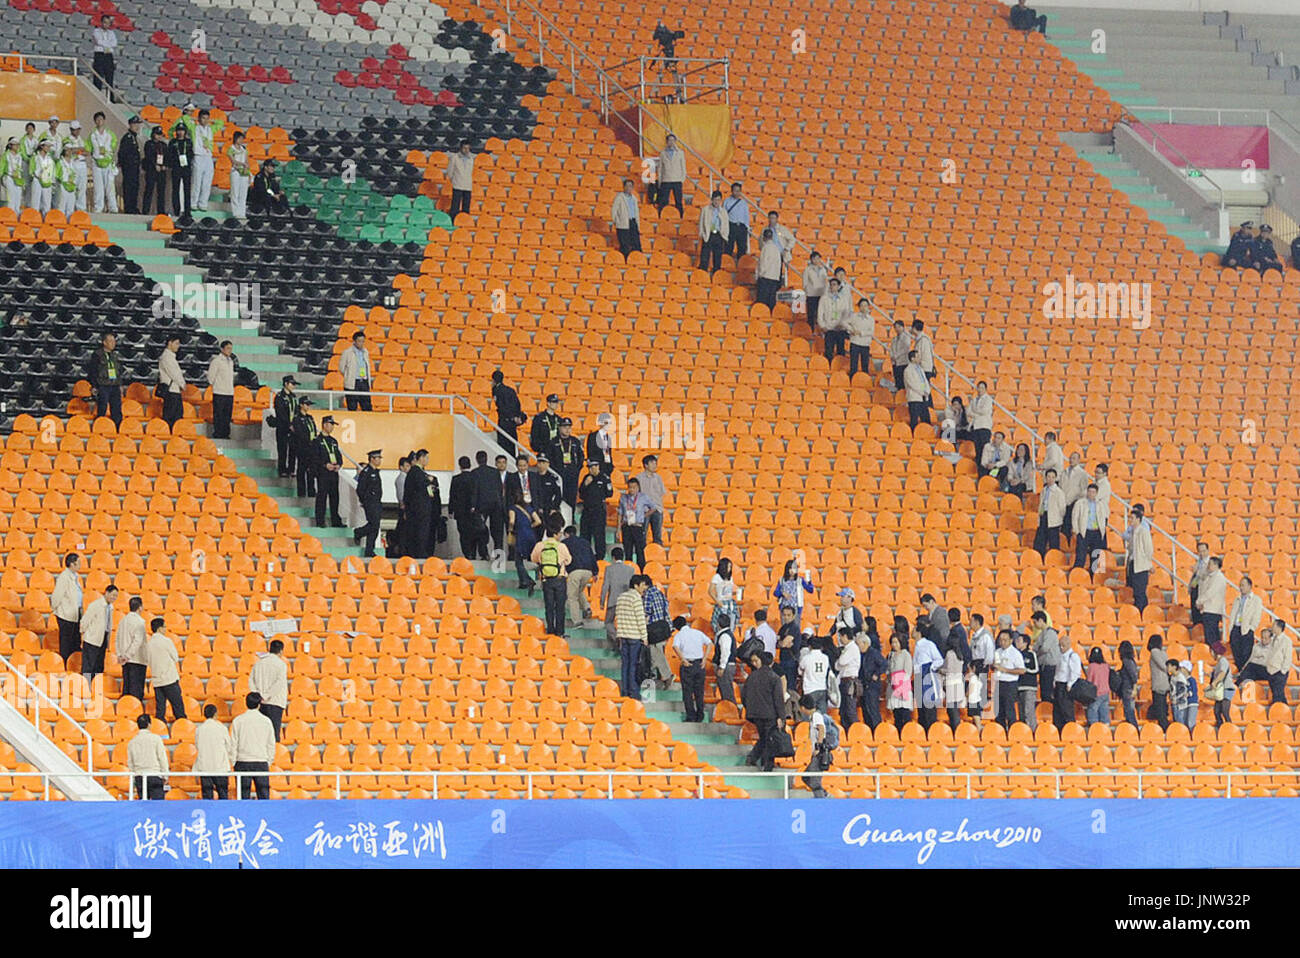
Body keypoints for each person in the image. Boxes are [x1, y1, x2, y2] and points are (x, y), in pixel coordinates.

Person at [742, 650, 785, 771]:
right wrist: (781, 717)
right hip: (770, 714)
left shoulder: (751, 677)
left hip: (755, 714)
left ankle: (753, 758)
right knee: (769, 740)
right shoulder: (774, 677)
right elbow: (778, 699)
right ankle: (767, 765)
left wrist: (749, 709)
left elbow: (744, 695)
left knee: (764, 738)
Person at [531, 515, 572, 636]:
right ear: (555, 534)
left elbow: (533, 558)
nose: (560, 535)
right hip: (560, 579)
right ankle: (560, 632)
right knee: (560, 607)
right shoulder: (561, 546)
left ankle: (550, 630)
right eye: (559, 533)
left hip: (546, 579)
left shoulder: (540, 545)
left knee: (549, 607)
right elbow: (569, 560)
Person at [231, 692, 275, 800]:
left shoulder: (238, 721)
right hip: (261, 761)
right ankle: (265, 816)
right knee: (264, 796)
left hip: (242, 762)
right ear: (259, 704)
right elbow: (271, 744)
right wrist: (268, 761)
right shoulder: (266, 721)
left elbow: (233, 744)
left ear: (246, 703)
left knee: (243, 797)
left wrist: (233, 761)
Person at [615, 574, 650, 699]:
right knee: (634, 665)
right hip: (634, 636)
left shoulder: (620, 597)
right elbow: (640, 619)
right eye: (642, 585)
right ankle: (634, 692)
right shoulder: (636, 598)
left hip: (623, 635)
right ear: (636, 585)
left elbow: (618, 616)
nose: (644, 588)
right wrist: (644, 637)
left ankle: (625, 691)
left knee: (625, 664)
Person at [1237, 625, 1292, 704]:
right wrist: (1244, 668)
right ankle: (1245, 696)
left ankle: (1237, 683)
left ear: (1270, 638)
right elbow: (1250, 659)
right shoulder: (1256, 646)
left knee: (1251, 667)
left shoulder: (1274, 647)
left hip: (1269, 670)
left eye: (1266, 638)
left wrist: (1257, 661)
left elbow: (1268, 662)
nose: (1263, 640)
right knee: (1249, 671)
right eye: (1262, 637)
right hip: (1256, 670)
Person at [671, 616, 711, 722]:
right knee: (699, 691)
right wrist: (705, 659)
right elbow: (709, 643)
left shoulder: (679, 635)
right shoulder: (697, 632)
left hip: (687, 664)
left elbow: (675, 646)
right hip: (699, 664)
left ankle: (691, 716)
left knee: (687, 692)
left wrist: (683, 659)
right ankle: (700, 714)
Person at [248, 639, 289, 740]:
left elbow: (251, 681)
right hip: (275, 702)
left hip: (261, 703)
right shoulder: (281, 665)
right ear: (281, 651)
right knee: (274, 735)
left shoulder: (258, 663)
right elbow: (279, 684)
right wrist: (266, 695)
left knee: (261, 735)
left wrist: (258, 695)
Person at [146, 618, 184, 722]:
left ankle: (160, 730)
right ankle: (181, 726)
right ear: (159, 628)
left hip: (157, 681)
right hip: (169, 678)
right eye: (164, 627)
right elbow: (175, 657)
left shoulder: (148, 644)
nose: (165, 629)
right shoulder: (166, 641)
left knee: (160, 710)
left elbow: (148, 661)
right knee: (178, 707)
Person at [194, 704, 234, 800]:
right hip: (220, 766)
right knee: (223, 794)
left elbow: (197, 746)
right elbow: (229, 746)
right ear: (215, 714)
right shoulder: (222, 728)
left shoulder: (199, 729)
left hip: (205, 767)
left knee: (207, 795)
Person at [550, 419, 585, 526]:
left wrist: (576, 470)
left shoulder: (575, 441)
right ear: (559, 428)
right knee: (558, 497)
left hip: (572, 475)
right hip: (558, 475)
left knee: (571, 498)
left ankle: (571, 518)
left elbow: (581, 457)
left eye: (569, 427)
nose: (567, 429)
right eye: (565, 427)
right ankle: (558, 519)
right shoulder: (553, 442)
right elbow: (550, 458)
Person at [51, 552, 83, 664]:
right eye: (78, 562)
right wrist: (56, 609)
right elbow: (57, 596)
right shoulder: (64, 577)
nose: (80, 564)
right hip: (66, 615)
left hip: (74, 614)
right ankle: (65, 665)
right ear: (72, 564)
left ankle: (74, 665)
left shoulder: (75, 577)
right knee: (66, 642)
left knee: (75, 641)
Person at [79, 584, 116, 681]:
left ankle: (96, 685)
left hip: (103, 638)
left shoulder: (110, 607)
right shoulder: (96, 605)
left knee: (99, 665)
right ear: (106, 593)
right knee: (89, 666)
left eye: (116, 596)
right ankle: (86, 687)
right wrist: (83, 634)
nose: (114, 598)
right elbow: (85, 621)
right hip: (92, 639)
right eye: (113, 595)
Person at [313, 415, 345, 528]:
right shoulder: (317, 441)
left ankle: (335, 520)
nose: (332, 427)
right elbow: (314, 457)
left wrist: (339, 464)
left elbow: (339, 456)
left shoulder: (333, 441)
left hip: (333, 473)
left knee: (335, 497)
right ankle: (320, 520)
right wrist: (325, 465)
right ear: (325, 424)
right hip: (323, 473)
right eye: (331, 424)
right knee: (322, 497)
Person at [562, 525, 598, 627]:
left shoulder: (565, 543)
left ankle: (577, 621)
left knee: (572, 597)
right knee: (579, 591)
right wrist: (595, 572)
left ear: (567, 534)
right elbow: (592, 557)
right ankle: (587, 608)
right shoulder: (585, 542)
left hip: (575, 571)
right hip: (588, 572)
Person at [127, 714, 167, 800]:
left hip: (139, 776)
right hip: (154, 774)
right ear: (149, 724)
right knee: (158, 805)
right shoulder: (156, 739)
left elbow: (130, 763)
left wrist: (134, 777)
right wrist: (165, 775)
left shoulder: (132, 742)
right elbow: (162, 758)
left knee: (143, 805)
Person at [798, 694, 831, 797]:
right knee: (806, 777)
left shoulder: (816, 716)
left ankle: (821, 799)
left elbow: (821, 728)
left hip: (819, 753)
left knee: (814, 780)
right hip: (816, 753)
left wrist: (818, 746)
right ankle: (824, 794)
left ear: (803, 707)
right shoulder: (814, 716)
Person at [115, 596, 148, 702]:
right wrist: (128, 655)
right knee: (136, 691)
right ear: (140, 607)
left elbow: (118, 639)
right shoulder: (139, 622)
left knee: (127, 688)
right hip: (137, 659)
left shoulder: (123, 620)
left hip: (125, 660)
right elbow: (137, 641)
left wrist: (120, 655)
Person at [578, 461, 612, 560]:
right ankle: (585, 555)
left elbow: (610, 493)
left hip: (598, 511)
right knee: (585, 534)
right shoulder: (586, 478)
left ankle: (600, 557)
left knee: (599, 535)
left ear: (598, 466)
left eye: (593, 467)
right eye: (590, 467)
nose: (591, 469)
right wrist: (585, 484)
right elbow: (581, 494)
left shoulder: (605, 478)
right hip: (587, 510)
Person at [643, 579, 673, 688]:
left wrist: (643, 631)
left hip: (653, 630)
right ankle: (660, 676)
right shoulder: (660, 593)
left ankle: (666, 675)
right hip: (663, 628)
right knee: (657, 654)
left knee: (656, 655)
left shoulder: (648, 595)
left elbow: (646, 613)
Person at [508, 489, 540, 592]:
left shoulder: (512, 508)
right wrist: (530, 526)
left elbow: (512, 521)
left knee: (518, 560)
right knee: (533, 557)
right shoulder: (529, 507)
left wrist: (510, 529)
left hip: (520, 536)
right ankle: (538, 576)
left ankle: (526, 580)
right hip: (531, 535)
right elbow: (538, 521)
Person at [1227, 576, 1263, 666]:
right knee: (1236, 652)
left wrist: (1251, 628)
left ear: (1250, 586)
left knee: (1246, 654)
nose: (1241, 587)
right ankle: (1240, 671)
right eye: (1240, 585)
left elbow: (1257, 616)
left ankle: (1245, 674)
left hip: (1246, 629)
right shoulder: (1237, 599)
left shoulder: (1256, 600)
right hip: (1236, 628)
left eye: (1243, 585)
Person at [1071, 483, 1108, 571]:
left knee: (1096, 556)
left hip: (1096, 532)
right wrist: (1077, 531)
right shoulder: (1080, 503)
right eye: (1089, 491)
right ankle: (1077, 573)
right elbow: (1075, 517)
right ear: (1087, 492)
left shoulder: (1101, 504)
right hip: (1084, 531)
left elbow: (1104, 517)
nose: (1091, 494)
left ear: (1096, 493)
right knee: (1080, 555)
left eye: (1093, 492)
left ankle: (1093, 576)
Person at [618, 477, 653, 570]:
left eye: (634, 487)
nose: (632, 489)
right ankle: (628, 570)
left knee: (640, 551)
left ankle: (641, 571)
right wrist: (618, 529)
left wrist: (644, 516)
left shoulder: (643, 497)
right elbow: (620, 513)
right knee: (627, 550)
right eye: (630, 487)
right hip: (626, 526)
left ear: (638, 488)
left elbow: (653, 507)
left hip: (637, 526)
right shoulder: (623, 498)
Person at [1195, 556, 1228, 654]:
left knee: (1212, 635)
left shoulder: (1218, 577)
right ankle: (1215, 653)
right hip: (1208, 608)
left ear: (1216, 565)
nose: (1208, 566)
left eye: (1211, 564)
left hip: (1212, 609)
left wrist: (1199, 601)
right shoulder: (1209, 576)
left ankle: (1219, 653)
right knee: (1211, 635)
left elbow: (1210, 592)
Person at [90, 331, 123, 427]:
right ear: (104, 342)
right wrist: (94, 386)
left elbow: (118, 371)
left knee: (117, 409)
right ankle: (99, 426)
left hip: (114, 385)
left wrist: (120, 384)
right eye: (111, 341)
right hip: (103, 385)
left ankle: (117, 427)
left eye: (114, 341)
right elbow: (93, 371)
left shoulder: (115, 355)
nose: (113, 343)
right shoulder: (97, 355)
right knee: (102, 408)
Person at [1123, 507, 1153, 613]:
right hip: (1133, 563)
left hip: (1141, 565)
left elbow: (1149, 550)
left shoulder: (1144, 532)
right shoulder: (1133, 532)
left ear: (1138, 519)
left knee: (1140, 591)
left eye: (1132, 518)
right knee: (1135, 590)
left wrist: (1148, 564)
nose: (1130, 520)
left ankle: (1141, 611)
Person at [913, 625, 943, 730]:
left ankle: (932, 732)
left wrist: (929, 667)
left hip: (927, 679)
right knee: (921, 710)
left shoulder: (929, 645)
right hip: (918, 678)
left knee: (929, 709)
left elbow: (939, 660)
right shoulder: (916, 646)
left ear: (919, 632)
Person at [994, 629, 1024, 730]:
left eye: (1005, 640)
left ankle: (1013, 731)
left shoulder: (1015, 653)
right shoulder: (997, 651)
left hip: (1010, 684)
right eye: (1001, 640)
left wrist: (1005, 670)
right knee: (999, 710)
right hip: (999, 682)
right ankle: (1000, 731)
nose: (1002, 642)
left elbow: (1022, 670)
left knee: (1009, 710)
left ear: (1011, 640)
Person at [633, 454, 667, 546]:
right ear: (646, 465)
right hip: (644, 510)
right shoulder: (638, 478)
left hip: (656, 509)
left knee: (657, 535)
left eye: (655, 463)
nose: (655, 465)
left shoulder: (658, 478)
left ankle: (659, 553)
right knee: (642, 533)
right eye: (652, 463)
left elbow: (661, 492)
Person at [488, 370, 527, 450]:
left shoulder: (496, 390)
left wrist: (510, 416)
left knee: (503, 446)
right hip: (512, 423)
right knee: (512, 445)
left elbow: (501, 406)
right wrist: (516, 416)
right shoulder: (510, 390)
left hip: (504, 421)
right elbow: (517, 404)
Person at [772, 558, 814, 630]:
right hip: (784, 608)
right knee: (785, 629)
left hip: (796, 608)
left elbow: (810, 590)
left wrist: (809, 581)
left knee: (795, 629)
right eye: (790, 568)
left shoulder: (800, 580)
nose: (792, 571)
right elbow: (775, 592)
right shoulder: (782, 580)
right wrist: (782, 593)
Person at [154, 334, 185, 429]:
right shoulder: (167, 357)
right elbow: (174, 374)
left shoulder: (170, 357)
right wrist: (182, 384)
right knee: (171, 416)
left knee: (176, 415)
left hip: (174, 390)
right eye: (176, 343)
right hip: (171, 390)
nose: (178, 346)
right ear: (169, 343)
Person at [1052, 632, 1081, 731]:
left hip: (1066, 686)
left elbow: (1075, 672)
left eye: (1063, 645)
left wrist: (1070, 683)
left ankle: (1070, 731)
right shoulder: (1060, 655)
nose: (1061, 648)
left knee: (1067, 710)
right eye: (1059, 645)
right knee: (1057, 711)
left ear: (1069, 645)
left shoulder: (1073, 656)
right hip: (1058, 684)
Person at [206, 341, 235, 439]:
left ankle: (226, 434)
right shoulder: (216, 361)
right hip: (219, 392)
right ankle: (218, 434)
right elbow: (211, 377)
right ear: (222, 349)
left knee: (227, 415)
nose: (230, 351)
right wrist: (218, 385)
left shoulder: (231, 361)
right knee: (219, 415)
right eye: (228, 348)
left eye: (231, 348)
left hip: (229, 392)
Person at [89, 112, 117, 213]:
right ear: (95, 121)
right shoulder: (92, 135)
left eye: (101, 119)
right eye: (97, 119)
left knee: (110, 186)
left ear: (104, 120)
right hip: (96, 164)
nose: (99, 121)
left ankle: (113, 208)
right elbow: (89, 147)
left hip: (108, 163)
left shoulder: (110, 134)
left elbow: (113, 146)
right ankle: (98, 208)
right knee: (98, 187)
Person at [818, 277, 851, 363]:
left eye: (835, 285)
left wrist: (843, 324)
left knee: (841, 350)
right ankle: (829, 367)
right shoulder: (824, 298)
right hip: (829, 328)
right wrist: (822, 326)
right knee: (829, 351)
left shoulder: (844, 299)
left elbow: (846, 313)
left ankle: (840, 369)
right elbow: (820, 313)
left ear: (839, 286)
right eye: (831, 285)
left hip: (840, 328)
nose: (833, 286)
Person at [272, 376, 299, 478]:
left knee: (293, 450)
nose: (293, 386)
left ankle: (291, 469)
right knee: (282, 449)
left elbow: (295, 411)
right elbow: (281, 413)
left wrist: (295, 425)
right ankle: (282, 469)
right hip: (283, 427)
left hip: (293, 428)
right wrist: (289, 425)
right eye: (292, 384)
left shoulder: (293, 397)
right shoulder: (279, 397)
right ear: (286, 384)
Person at [292, 396, 319, 499]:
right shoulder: (297, 418)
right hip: (302, 447)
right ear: (301, 405)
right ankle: (302, 491)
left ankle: (311, 490)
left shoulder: (310, 418)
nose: (308, 407)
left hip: (311, 447)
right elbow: (299, 433)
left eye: (309, 405)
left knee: (311, 469)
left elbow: (314, 430)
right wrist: (308, 441)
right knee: (302, 469)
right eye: (306, 404)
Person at [339, 331, 373, 411]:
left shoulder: (365, 352)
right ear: (354, 341)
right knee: (352, 406)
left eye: (363, 341)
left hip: (364, 382)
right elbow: (342, 368)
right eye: (359, 341)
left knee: (367, 406)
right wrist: (349, 375)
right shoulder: (347, 352)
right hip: (352, 382)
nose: (361, 343)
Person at [697, 189, 729, 273]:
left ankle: (716, 273)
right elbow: (701, 222)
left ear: (721, 200)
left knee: (717, 256)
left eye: (718, 200)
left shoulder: (723, 211)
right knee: (705, 255)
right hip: (708, 234)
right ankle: (703, 272)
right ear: (712, 200)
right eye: (715, 199)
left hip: (719, 235)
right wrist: (702, 233)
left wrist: (725, 235)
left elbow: (726, 224)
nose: (716, 202)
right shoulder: (705, 209)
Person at [887, 630, 914, 728]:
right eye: (893, 642)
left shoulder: (905, 654)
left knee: (905, 714)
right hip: (893, 687)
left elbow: (908, 671)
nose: (894, 645)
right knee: (897, 715)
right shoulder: (891, 655)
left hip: (903, 687)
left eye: (896, 642)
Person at [1030, 611, 1059, 702]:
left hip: (1049, 666)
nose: (1034, 625)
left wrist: (1036, 654)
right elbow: (1035, 646)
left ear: (1041, 620)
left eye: (1035, 622)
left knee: (1047, 692)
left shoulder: (1050, 633)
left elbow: (1045, 648)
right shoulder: (1042, 633)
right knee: (1044, 692)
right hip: (1043, 666)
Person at [755, 228, 787, 308]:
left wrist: (759, 275)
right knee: (771, 302)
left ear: (764, 238)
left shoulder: (765, 248)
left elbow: (763, 264)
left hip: (765, 278)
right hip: (774, 278)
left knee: (762, 302)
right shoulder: (777, 249)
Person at [166, 120, 192, 219]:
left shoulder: (188, 142)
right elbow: (169, 155)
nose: (180, 132)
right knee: (175, 190)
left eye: (182, 130)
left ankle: (187, 211)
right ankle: (176, 210)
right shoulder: (173, 142)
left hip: (186, 168)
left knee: (187, 190)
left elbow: (191, 155)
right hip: (176, 168)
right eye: (179, 130)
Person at [655, 133, 685, 215]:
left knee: (678, 201)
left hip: (677, 180)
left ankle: (681, 217)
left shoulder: (680, 153)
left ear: (675, 141)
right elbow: (660, 168)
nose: (671, 142)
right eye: (669, 140)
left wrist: (682, 179)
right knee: (663, 201)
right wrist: (660, 180)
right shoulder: (662, 154)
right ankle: (661, 216)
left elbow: (683, 167)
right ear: (667, 142)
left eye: (673, 140)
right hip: (666, 180)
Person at [845, 298, 875, 381]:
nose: (863, 307)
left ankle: (865, 382)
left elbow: (871, 332)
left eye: (865, 305)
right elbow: (845, 323)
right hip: (855, 343)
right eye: (862, 305)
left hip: (865, 344)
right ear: (859, 307)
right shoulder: (854, 316)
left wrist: (861, 332)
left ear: (868, 307)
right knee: (853, 365)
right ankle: (852, 381)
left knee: (865, 365)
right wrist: (851, 330)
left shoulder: (871, 319)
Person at [1013, 631, 1038, 730]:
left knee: (1029, 711)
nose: (1017, 642)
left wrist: (1024, 670)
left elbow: (1036, 669)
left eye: (1019, 641)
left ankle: (1032, 732)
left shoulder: (1031, 654)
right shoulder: (1016, 654)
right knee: (1021, 712)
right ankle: (1024, 732)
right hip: (1019, 687)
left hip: (1029, 687)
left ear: (1025, 643)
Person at [141, 125, 168, 215]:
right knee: (149, 190)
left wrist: (165, 165)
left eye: (160, 134)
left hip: (161, 171)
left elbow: (167, 157)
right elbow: (148, 156)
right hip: (151, 170)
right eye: (157, 134)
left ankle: (161, 211)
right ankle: (145, 210)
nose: (159, 136)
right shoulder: (149, 144)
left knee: (161, 192)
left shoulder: (163, 145)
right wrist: (154, 164)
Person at [709, 557, 740, 635]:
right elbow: (710, 591)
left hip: (730, 603)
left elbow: (728, 591)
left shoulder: (730, 578)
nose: (730, 569)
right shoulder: (717, 577)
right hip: (722, 602)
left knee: (731, 624)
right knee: (720, 626)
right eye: (729, 566)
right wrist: (718, 602)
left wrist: (736, 593)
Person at [611, 178, 641, 258]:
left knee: (636, 243)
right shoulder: (619, 197)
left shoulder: (634, 199)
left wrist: (637, 223)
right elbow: (614, 210)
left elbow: (636, 212)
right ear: (623, 187)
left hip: (632, 222)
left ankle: (636, 258)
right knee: (625, 245)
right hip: (623, 223)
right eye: (627, 186)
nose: (628, 188)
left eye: (630, 186)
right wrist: (617, 221)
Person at [445, 140, 475, 220]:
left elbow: (470, 172)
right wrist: (454, 180)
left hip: (468, 185)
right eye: (464, 148)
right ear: (461, 148)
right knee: (455, 205)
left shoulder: (471, 159)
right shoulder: (454, 158)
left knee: (466, 206)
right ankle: (453, 220)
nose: (466, 150)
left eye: (468, 148)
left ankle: (464, 221)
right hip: (457, 184)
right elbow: (450, 171)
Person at [713, 613, 738, 705]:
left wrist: (722, 667)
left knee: (727, 693)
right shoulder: (727, 634)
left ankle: (732, 710)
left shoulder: (724, 636)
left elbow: (725, 652)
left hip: (726, 667)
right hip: (727, 666)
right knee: (725, 691)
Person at [801, 251, 829, 334]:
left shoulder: (823, 269)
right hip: (811, 294)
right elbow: (805, 282)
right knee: (811, 313)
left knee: (820, 314)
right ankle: (811, 330)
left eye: (818, 258)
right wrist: (807, 292)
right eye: (815, 258)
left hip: (821, 294)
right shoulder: (807, 270)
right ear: (811, 259)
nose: (817, 260)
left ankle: (821, 331)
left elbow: (825, 281)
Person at [1207, 649, 1235, 727]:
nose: (1211, 655)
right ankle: (1221, 728)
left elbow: (1222, 673)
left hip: (1226, 689)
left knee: (1224, 711)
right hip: (1220, 690)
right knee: (1217, 711)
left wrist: (1215, 682)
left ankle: (1229, 728)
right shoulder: (1219, 663)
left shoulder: (1223, 661)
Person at [903, 349, 931, 428]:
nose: (919, 358)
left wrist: (926, 391)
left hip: (923, 397)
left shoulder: (920, 369)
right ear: (912, 358)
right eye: (917, 356)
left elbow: (924, 381)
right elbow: (912, 384)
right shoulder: (908, 370)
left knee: (926, 419)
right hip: (914, 398)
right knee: (914, 419)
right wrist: (922, 392)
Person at [91, 14, 118, 94]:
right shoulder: (96, 31)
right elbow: (98, 41)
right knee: (98, 78)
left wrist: (105, 44)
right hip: (99, 55)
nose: (106, 24)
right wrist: (108, 44)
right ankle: (97, 96)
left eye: (108, 23)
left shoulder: (112, 33)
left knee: (110, 78)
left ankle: (110, 98)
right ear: (101, 22)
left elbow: (115, 43)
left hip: (108, 56)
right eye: (105, 22)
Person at [1147, 634, 1170, 730]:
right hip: (1165, 683)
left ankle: (1164, 729)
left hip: (1158, 684)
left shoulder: (1154, 652)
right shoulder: (1164, 653)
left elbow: (1162, 666)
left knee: (1160, 709)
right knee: (1162, 707)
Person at [723, 182, 750, 260]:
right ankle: (727, 262)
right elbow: (724, 215)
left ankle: (741, 264)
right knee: (728, 247)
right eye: (735, 190)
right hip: (731, 226)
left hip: (741, 227)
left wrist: (747, 227)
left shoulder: (744, 203)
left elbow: (746, 216)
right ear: (732, 191)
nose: (737, 193)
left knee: (742, 248)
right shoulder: (727, 201)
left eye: (738, 191)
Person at [1187, 541, 1212, 628]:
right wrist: (1191, 586)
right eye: (1200, 551)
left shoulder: (1210, 563)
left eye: (1204, 551)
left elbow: (1206, 576)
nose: (1202, 553)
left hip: (1203, 590)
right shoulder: (1198, 562)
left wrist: (1197, 571)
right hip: (1196, 589)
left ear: (1208, 551)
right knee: (1195, 612)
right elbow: (1196, 577)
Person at [1085, 647, 1111, 727]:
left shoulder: (1091, 666)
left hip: (1096, 693)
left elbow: (1089, 681)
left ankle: (1094, 729)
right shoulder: (1106, 666)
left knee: (1093, 712)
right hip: (1106, 692)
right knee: (1104, 713)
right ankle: (1105, 730)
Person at [226, 131, 250, 219]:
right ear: (235, 139)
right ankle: (235, 212)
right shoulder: (231, 148)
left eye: (242, 139)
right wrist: (242, 164)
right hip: (235, 171)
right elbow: (233, 161)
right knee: (235, 192)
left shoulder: (244, 149)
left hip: (244, 172)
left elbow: (247, 160)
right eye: (240, 138)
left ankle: (242, 212)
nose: (241, 140)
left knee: (243, 194)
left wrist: (246, 167)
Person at [1117, 640, 1140, 728]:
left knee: (1129, 713)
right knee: (1129, 712)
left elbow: (1133, 676)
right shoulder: (1131, 661)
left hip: (1128, 689)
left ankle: (1134, 730)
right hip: (1128, 689)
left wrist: (1134, 688)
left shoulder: (1126, 661)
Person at [53, 140, 79, 217]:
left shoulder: (73, 162)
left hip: (71, 186)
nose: (69, 151)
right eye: (67, 149)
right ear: (64, 150)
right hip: (62, 186)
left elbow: (75, 174)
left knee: (70, 207)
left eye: (71, 149)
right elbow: (56, 175)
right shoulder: (60, 162)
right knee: (61, 205)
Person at [1, 138, 26, 214]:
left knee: (18, 198)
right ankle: (10, 216)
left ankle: (17, 215)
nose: (17, 146)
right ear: (10, 145)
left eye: (18, 144)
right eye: (15, 144)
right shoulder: (6, 155)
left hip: (18, 179)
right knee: (11, 198)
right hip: (9, 177)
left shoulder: (20, 155)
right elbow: (1, 167)